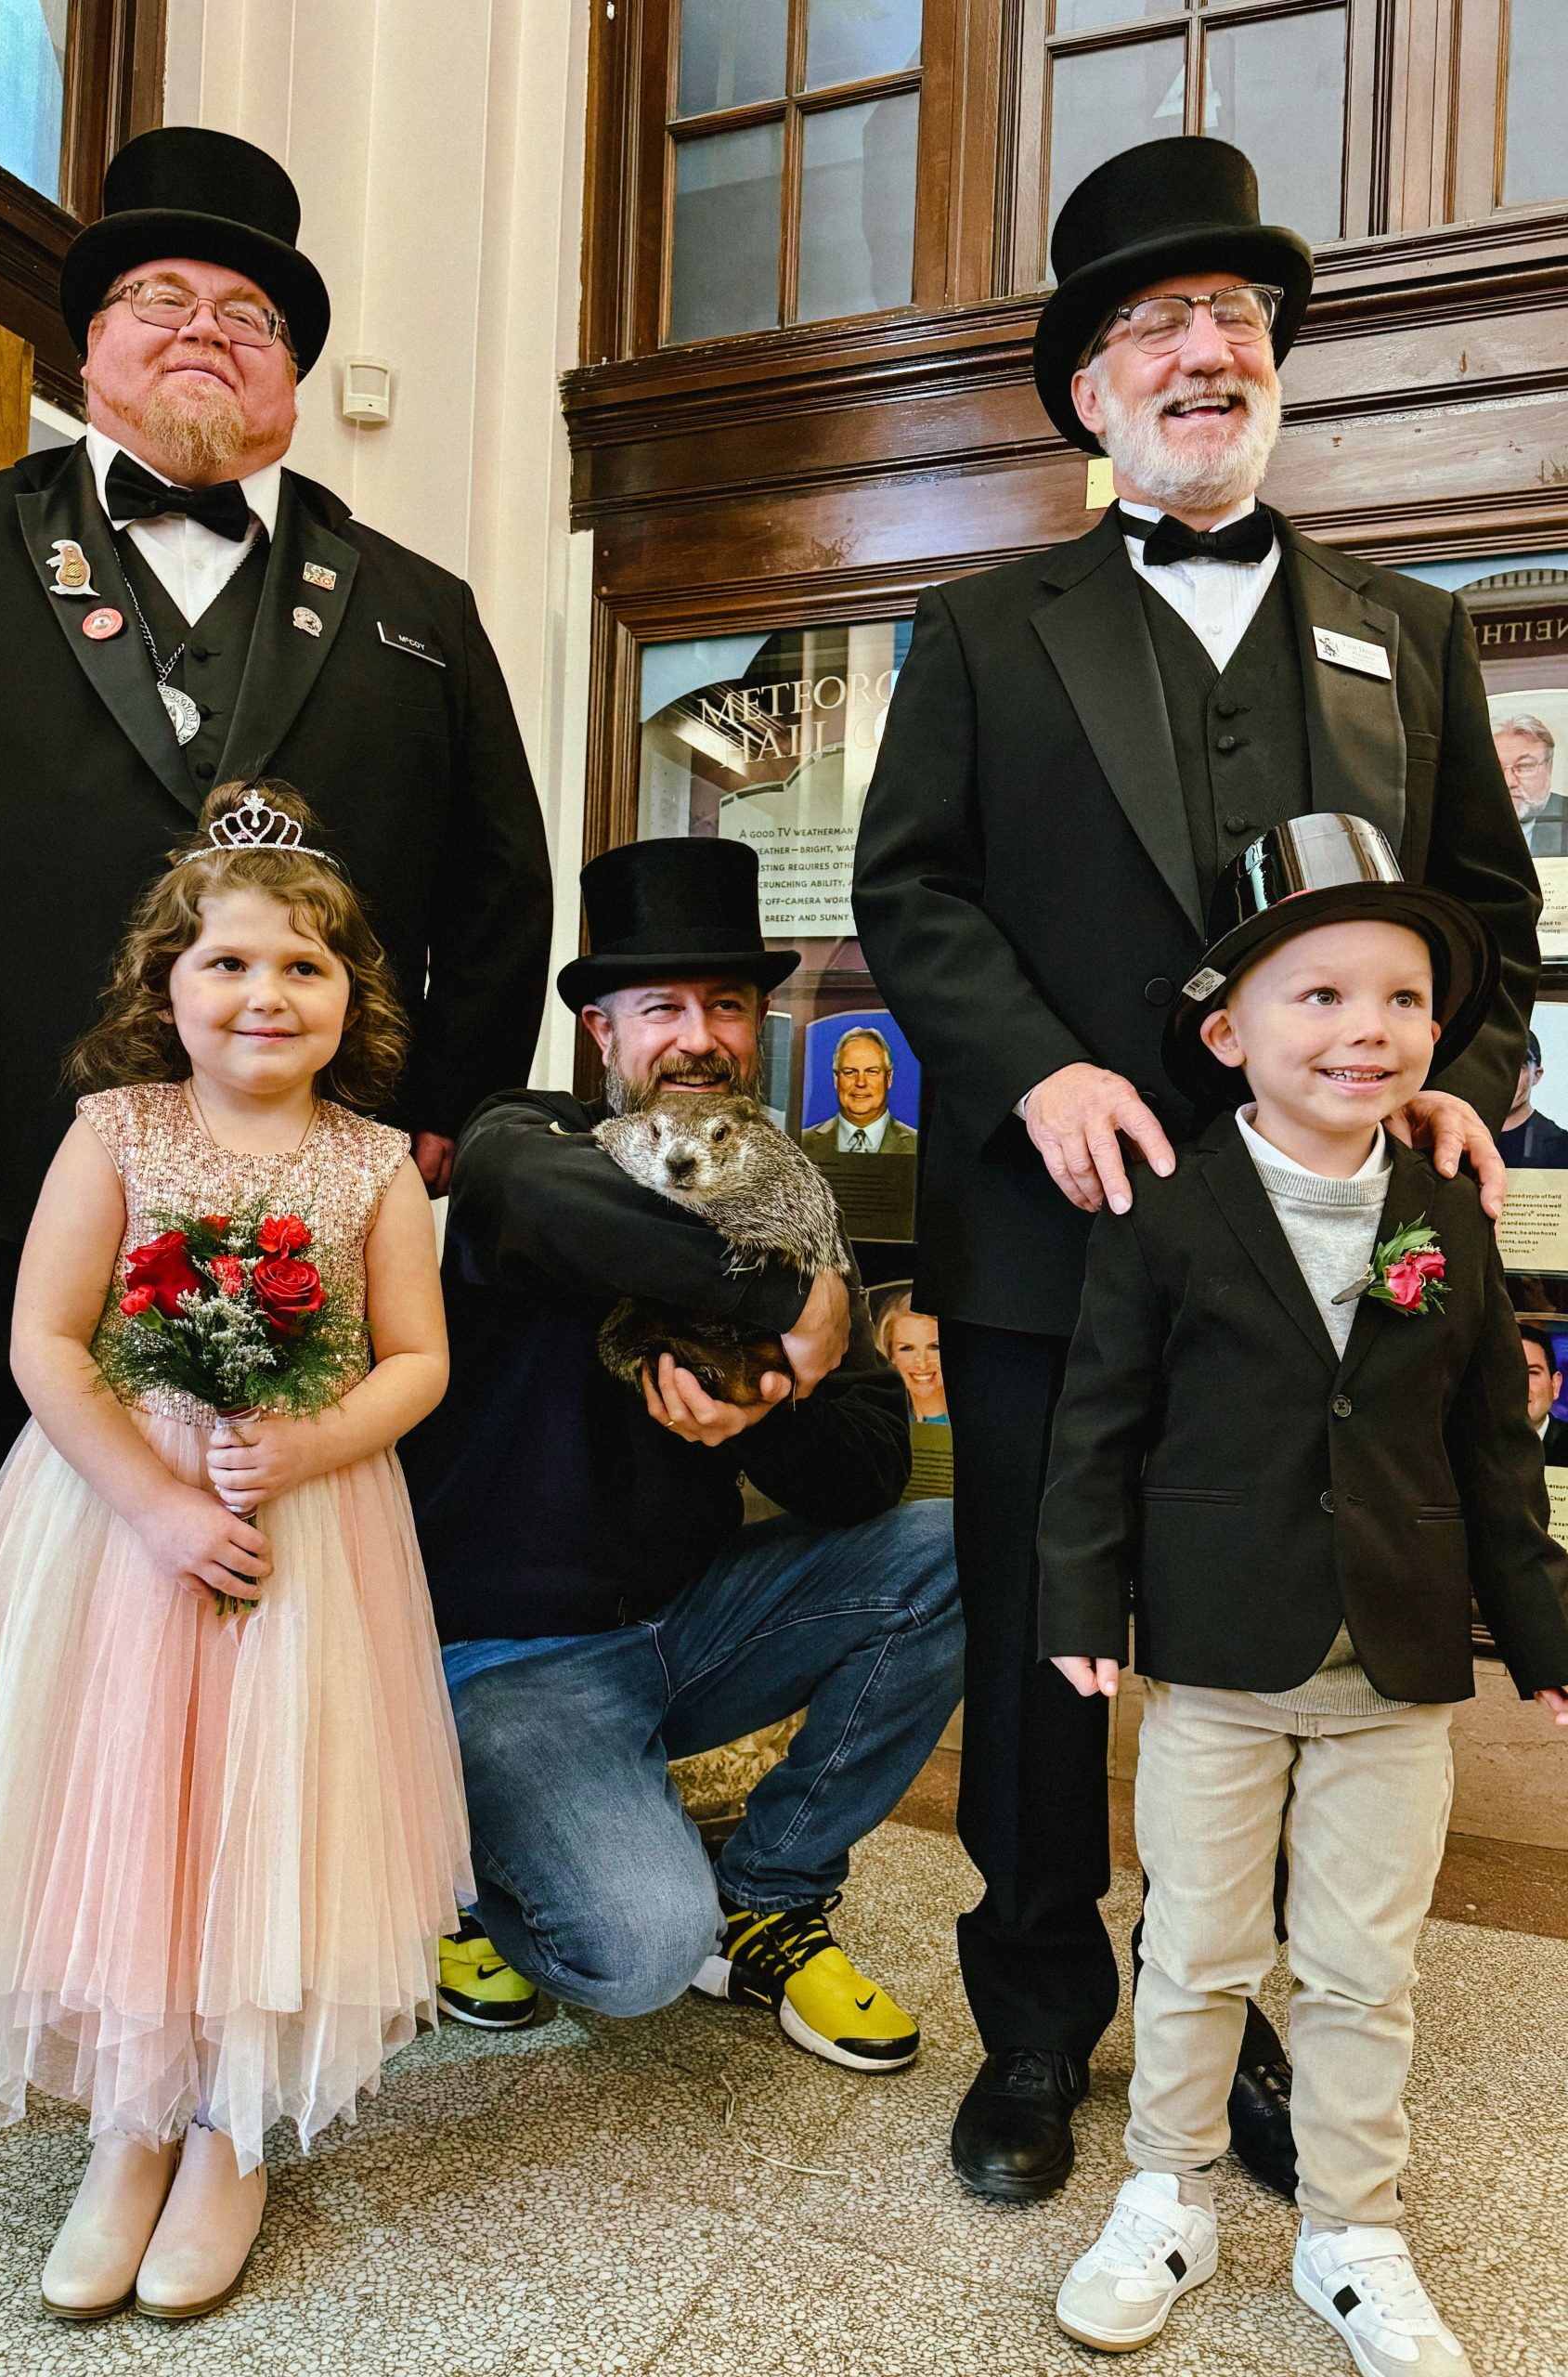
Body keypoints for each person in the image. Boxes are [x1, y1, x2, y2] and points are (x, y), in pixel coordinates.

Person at [0, 125, 550, 2117]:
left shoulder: (416, 602)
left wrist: (445, 1119)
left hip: (304, 1203)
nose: (205, 333)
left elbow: (502, 886)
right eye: (160, 302)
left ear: (292, 377)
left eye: (249, 313)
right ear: (89, 354)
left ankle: (230, 1974)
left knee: (265, 1582)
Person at [853, 135, 1538, 2204]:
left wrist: (1467, 1080)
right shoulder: (977, 628)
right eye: (1156, 324)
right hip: (1053, 1240)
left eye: (1236, 318)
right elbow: (911, 890)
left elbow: (1490, 927)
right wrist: (1039, 1069)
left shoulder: (1406, 633)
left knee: (1283, 1650)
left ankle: (1236, 2021)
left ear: (1275, 366)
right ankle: (1040, 2030)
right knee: (1040, 1649)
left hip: (1317, 1269)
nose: (1204, 349)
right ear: (1089, 394)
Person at [0, 781, 471, 2323]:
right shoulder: (113, 1132)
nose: (266, 995)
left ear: (352, 1000)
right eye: (229, 964)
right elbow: (48, 1341)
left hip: (311, 1536)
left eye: (304, 970)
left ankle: (228, 2128)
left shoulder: (377, 1165)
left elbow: (415, 1362)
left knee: (270, 1811)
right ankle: (129, 2125)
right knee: (135, 1805)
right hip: (118, 1525)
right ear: (165, 991)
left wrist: (313, 1444)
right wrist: (161, 1503)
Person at [1037, 814, 1568, 2372]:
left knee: (1363, 1966)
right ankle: (1169, 2191)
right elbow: (1098, 1425)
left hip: (1393, 1675)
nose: (1366, 1030)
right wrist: (1083, 1606)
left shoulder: (1453, 1211)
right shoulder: (1166, 1210)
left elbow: (1491, 1445)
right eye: (1318, 996)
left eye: (1401, 999)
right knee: (1197, 1946)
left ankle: (1353, 2225)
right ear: (1230, 1029)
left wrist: (1541, 1631)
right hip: (1215, 1658)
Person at [402, 838, 963, 2068]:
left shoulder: (784, 1188)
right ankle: (433, 1884)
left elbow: (868, 1467)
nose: (697, 1037)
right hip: (510, 1661)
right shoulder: (527, 1137)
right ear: (602, 1033)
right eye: (662, 1008)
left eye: (726, 1006)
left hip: (688, 1623)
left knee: (950, 1550)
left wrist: (771, 1402)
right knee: (638, 1956)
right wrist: (780, 1310)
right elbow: (528, 1201)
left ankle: (770, 1892)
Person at [800, 1026, 918, 1157]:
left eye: (871, 1072)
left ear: (889, 1078)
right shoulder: (801, 1143)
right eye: (850, 1072)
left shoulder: (916, 1144)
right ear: (836, 1079)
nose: (861, 1082)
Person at [1494, 714, 1567, 855]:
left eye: (1525, 766)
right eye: (1496, 767)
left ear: (1549, 767)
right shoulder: (1459, 823)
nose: (1509, 783)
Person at [875, 1287, 948, 1424]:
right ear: (891, 1355)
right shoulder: (883, 1425)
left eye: (934, 1347)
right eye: (907, 1348)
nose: (922, 1364)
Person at [1498, 1030, 1568, 1168]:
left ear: (1536, 1075)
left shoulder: (1560, 1145)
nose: (1507, 1077)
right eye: (1499, 1065)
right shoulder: (1460, 1135)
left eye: (1519, 1066)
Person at [1519, 1323, 1568, 1464]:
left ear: (1555, 1385)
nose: (1520, 1384)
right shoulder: (1465, 1447)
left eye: (1532, 1372)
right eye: (1508, 1372)